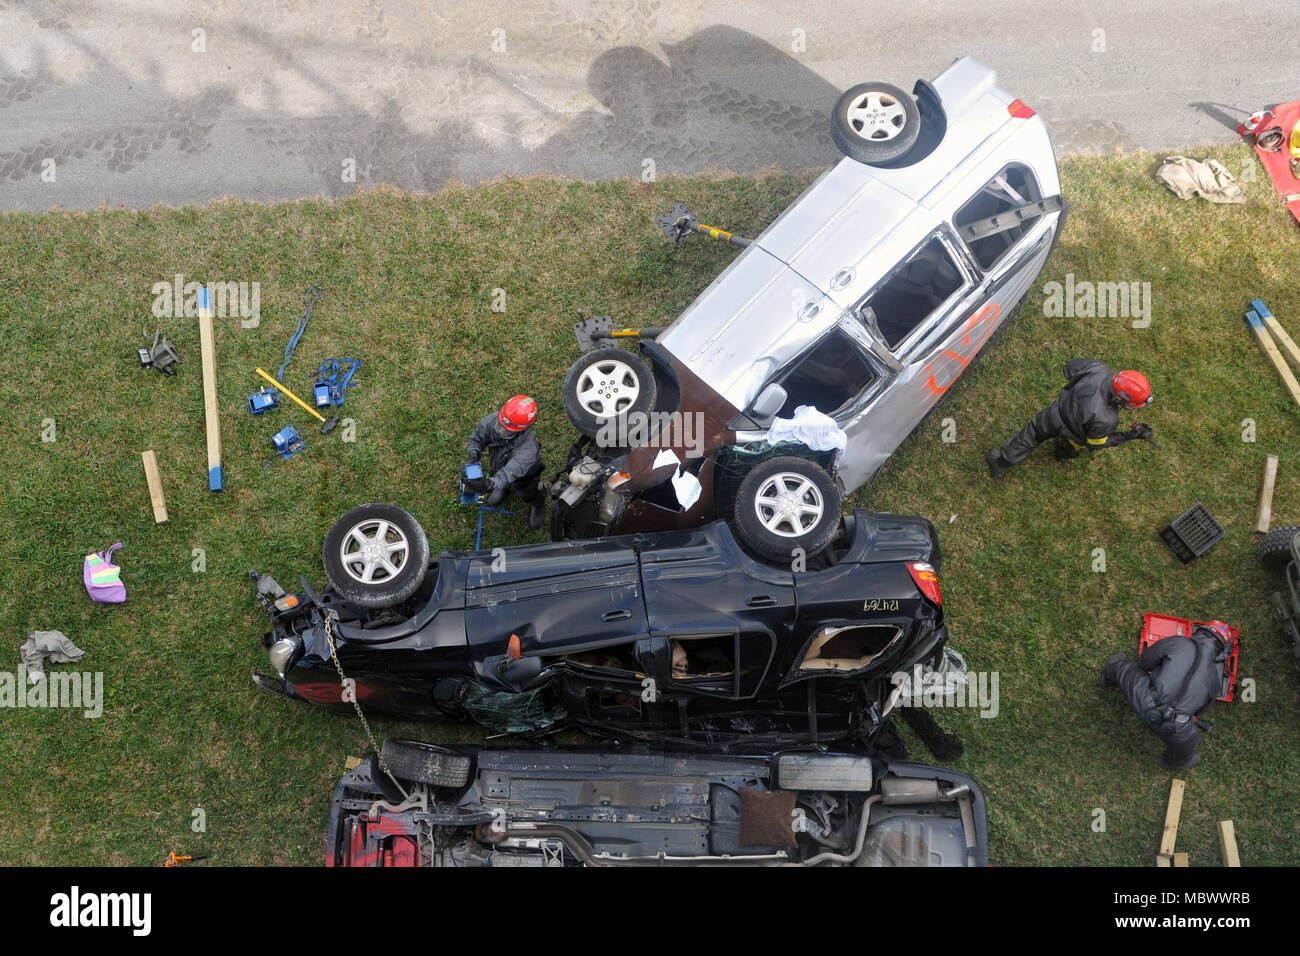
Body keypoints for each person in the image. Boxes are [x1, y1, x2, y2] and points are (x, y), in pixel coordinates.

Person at [985, 359, 1152, 478]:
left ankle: (1001, 464)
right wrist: (1129, 436)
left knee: (1030, 436)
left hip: (1055, 414)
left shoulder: (1098, 368)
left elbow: (1069, 369)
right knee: (1069, 448)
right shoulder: (1108, 419)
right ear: (1120, 400)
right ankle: (1062, 454)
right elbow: (1096, 444)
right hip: (1074, 437)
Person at [1101, 622, 1231, 769]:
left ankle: (1109, 678)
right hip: (1177, 726)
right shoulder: (1215, 681)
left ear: (1199, 632)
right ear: (1220, 650)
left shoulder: (1179, 642)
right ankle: (1171, 762)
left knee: (1121, 664)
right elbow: (1199, 711)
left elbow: (1144, 662)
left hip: (1146, 700)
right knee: (1187, 752)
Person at [462, 395, 546, 530]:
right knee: (499, 479)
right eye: (500, 425)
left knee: (527, 493)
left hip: (523, 476)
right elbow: (477, 438)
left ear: (522, 429)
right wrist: (473, 455)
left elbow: (508, 474)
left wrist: (490, 485)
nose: (500, 430)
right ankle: (503, 489)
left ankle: (538, 502)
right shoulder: (495, 420)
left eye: (506, 430)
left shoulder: (528, 450)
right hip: (498, 465)